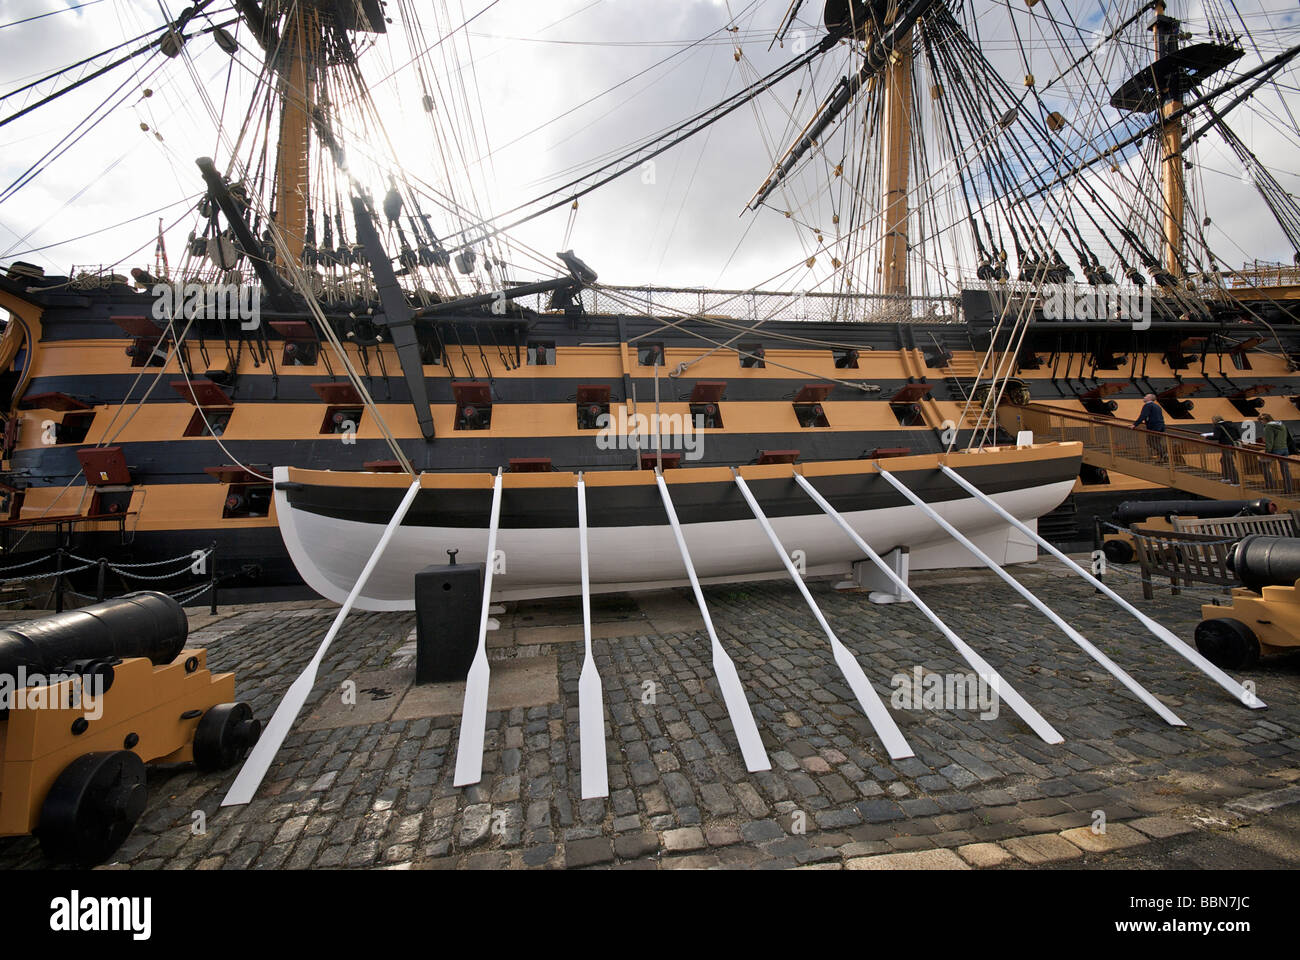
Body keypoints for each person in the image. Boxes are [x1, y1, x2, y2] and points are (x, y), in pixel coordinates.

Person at [1261, 413, 1293, 493]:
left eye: (1261, 421)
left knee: (1263, 464)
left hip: (1275, 450)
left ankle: (1270, 485)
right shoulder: (1282, 425)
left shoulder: (1268, 427)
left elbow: (1269, 441)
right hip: (1284, 449)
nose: (1261, 423)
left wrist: (1267, 452)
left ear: (1265, 420)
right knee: (1285, 470)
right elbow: (1289, 437)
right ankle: (1289, 489)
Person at [1133, 394, 1166, 460]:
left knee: (1150, 441)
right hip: (1161, 426)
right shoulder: (1157, 406)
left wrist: (1134, 424)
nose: (1144, 397)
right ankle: (1163, 456)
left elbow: (1143, 416)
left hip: (1154, 427)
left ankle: (1163, 454)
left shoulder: (1148, 405)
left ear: (1150, 399)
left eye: (1146, 396)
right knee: (1156, 442)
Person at [1211, 415, 1240, 484]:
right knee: (1223, 460)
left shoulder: (1218, 426)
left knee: (1229, 463)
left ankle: (1236, 481)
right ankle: (1226, 477)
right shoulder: (1232, 425)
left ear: (1215, 421)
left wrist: (1207, 437)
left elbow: (1216, 437)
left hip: (1225, 446)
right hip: (1233, 445)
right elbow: (1238, 435)